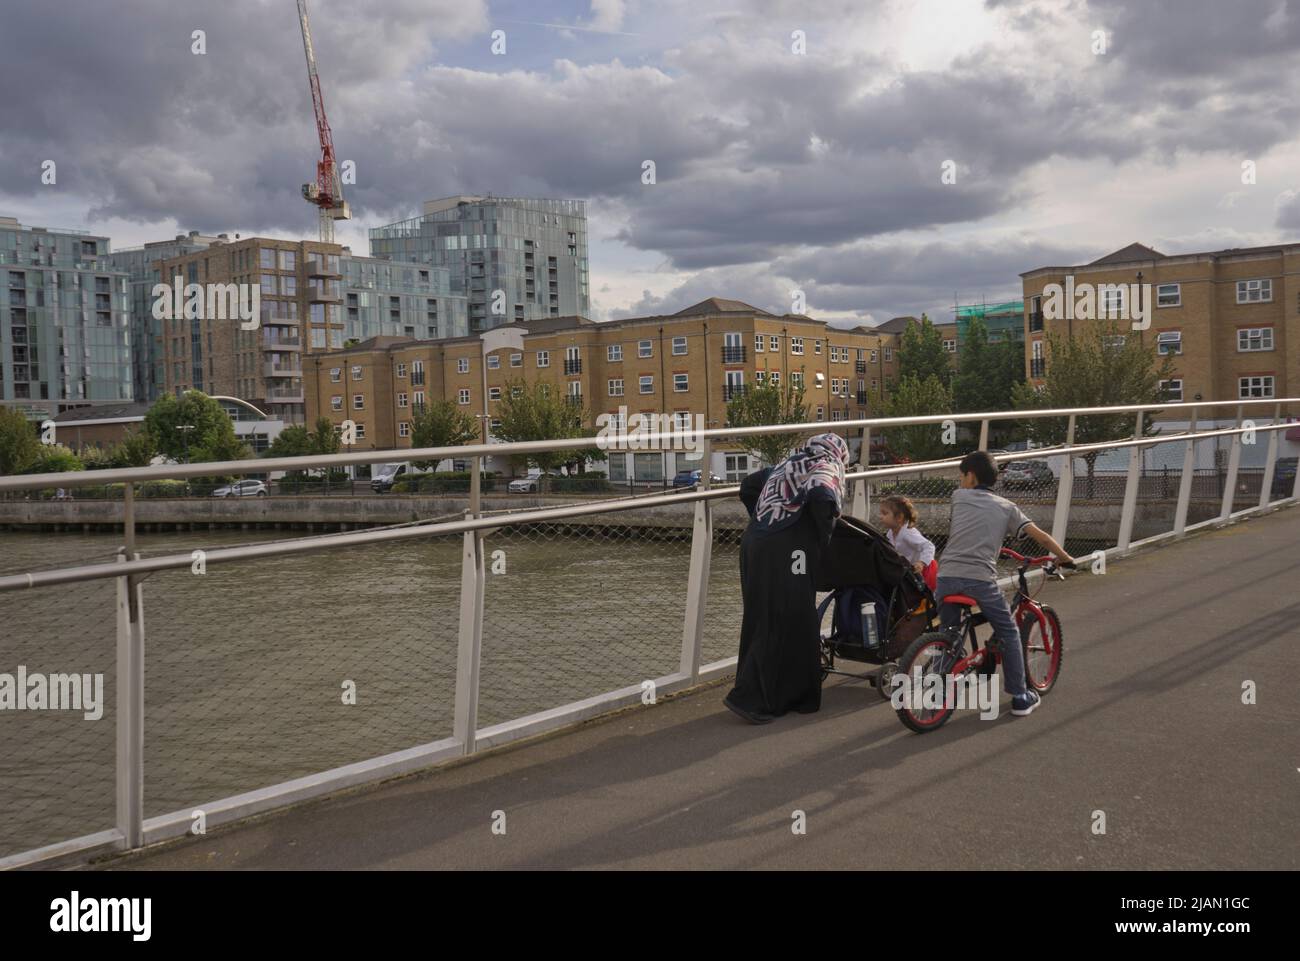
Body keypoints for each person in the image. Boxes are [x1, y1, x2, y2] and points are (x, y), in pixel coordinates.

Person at [724, 433, 850, 724]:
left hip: (755, 542)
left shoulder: (788, 463)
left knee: (761, 615)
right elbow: (822, 494)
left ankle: (769, 693)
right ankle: (758, 699)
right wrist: (821, 536)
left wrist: (765, 517)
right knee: (794, 615)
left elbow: (748, 486)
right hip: (790, 550)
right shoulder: (827, 464)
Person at [937, 450, 1074, 717]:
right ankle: (1020, 697)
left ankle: (940, 685)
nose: (961, 482)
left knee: (950, 632)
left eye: (962, 476)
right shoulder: (1007, 507)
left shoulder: (958, 497)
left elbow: (968, 529)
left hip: (946, 578)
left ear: (971, 476)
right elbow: (1042, 538)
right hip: (979, 580)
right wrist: (1065, 558)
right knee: (1009, 631)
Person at [878, 494, 936, 588]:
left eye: (884, 513)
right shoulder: (890, 532)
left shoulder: (907, 533)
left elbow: (929, 546)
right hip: (912, 571)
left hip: (924, 569)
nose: (880, 516)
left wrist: (922, 562)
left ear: (899, 517)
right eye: (880, 513)